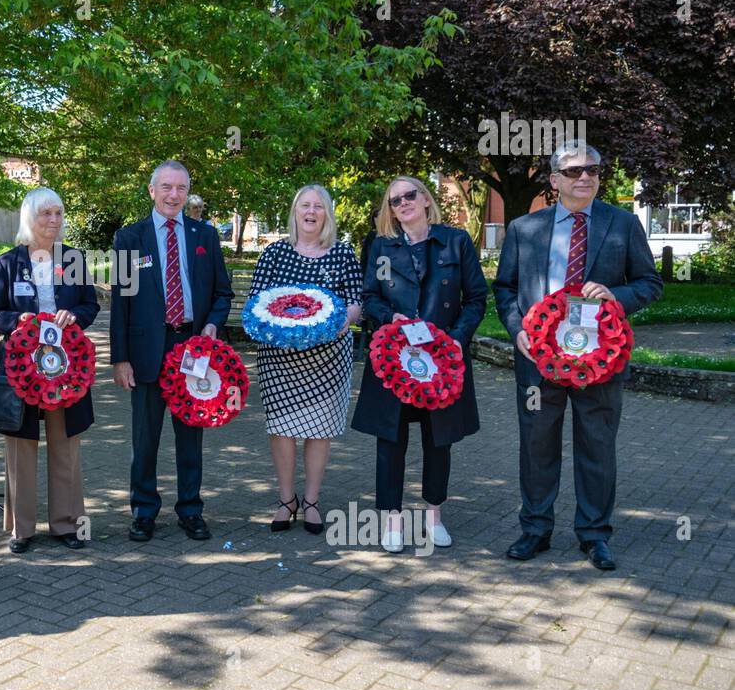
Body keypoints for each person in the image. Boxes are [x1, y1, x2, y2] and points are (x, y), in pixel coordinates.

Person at [494, 141, 662, 571]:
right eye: (573, 172)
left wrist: (615, 295)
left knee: (597, 447)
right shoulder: (524, 229)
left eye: (592, 169)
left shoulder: (623, 225)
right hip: (538, 362)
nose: (584, 177)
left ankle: (594, 535)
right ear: (554, 181)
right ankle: (535, 529)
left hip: (600, 362)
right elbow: (506, 289)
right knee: (536, 446)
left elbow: (649, 283)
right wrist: (518, 333)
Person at [351, 176, 487, 554]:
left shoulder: (456, 242)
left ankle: (433, 517)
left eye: (411, 195)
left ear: (426, 200)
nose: (404, 203)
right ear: (390, 210)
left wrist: (455, 340)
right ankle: (392, 522)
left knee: (438, 439)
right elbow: (370, 297)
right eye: (395, 200)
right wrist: (388, 319)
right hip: (393, 358)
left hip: (441, 361)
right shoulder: (381, 249)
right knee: (390, 440)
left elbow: (476, 298)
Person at [111, 161, 232, 542]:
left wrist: (212, 324)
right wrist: (120, 358)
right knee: (145, 437)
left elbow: (222, 293)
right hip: (148, 348)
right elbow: (121, 303)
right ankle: (144, 511)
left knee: (190, 434)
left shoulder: (205, 236)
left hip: (192, 348)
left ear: (188, 193)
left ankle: (190, 510)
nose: (173, 195)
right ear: (151, 191)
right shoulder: (130, 237)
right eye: (166, 187)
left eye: (180, 188)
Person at [0, 187, 100, 554]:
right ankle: (22, 528)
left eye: (58, 214)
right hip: (22, 371)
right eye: (45, 214)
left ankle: (67, 524)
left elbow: (90, 306)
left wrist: (73, 317)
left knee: (65, 446)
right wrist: (19, 319)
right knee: (21, 448)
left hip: (67, 370)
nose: (53, 221)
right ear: (28, 218)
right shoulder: (6, 263)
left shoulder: (74, 259)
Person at [248, 185, 362, 533]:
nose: (311, 212)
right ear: (295, 212)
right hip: (279, 360)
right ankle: (287, 500)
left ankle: (311, 500)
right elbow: (256, 302)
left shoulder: (342, 254)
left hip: (328, 359)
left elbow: (356, 300)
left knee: (319, 430)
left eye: (319, 206)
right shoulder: (273, 254)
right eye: (305, 206)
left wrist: (341, 325)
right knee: (281, 430)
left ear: (328, 213)